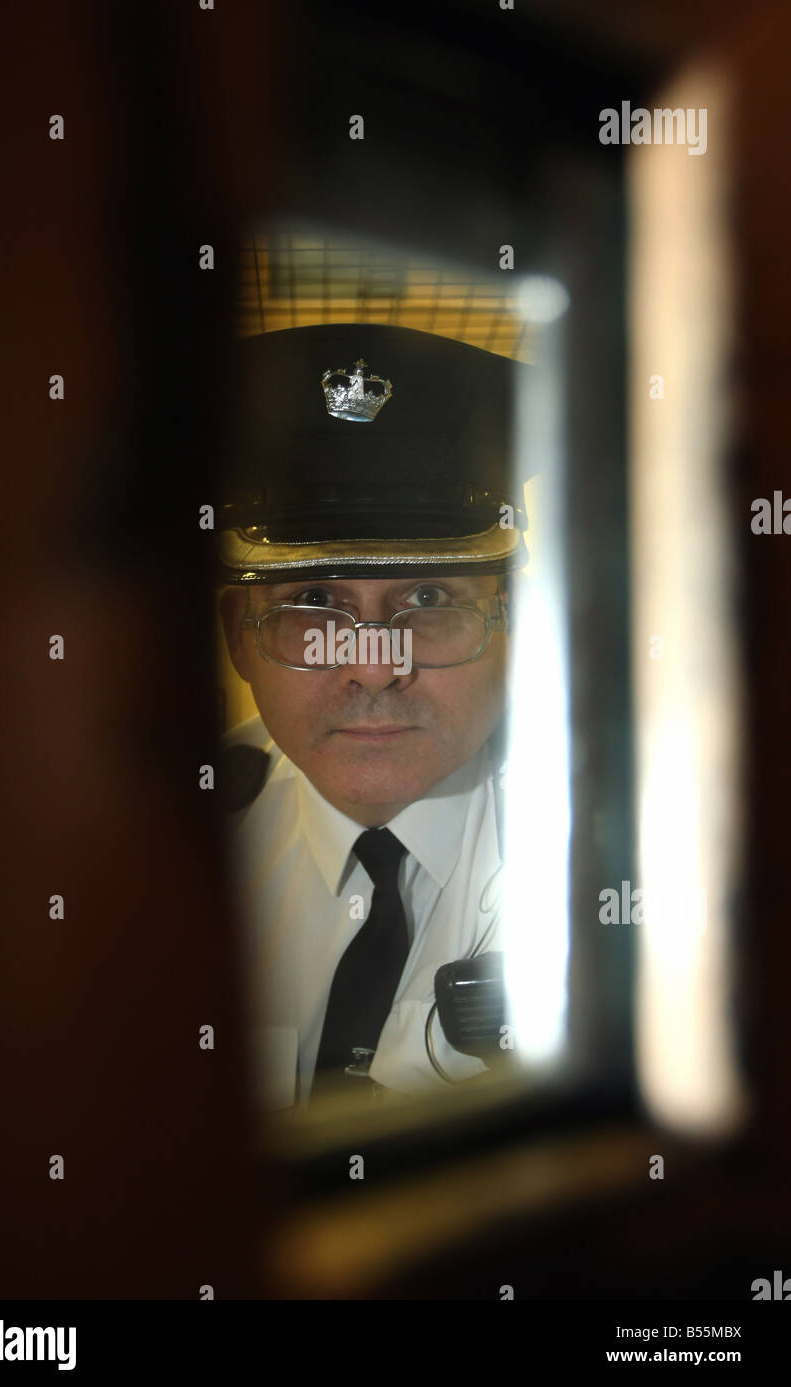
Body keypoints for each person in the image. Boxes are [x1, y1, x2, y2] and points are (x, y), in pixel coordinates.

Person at [216, 323, 531, 1109]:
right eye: (314, 602)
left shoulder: (608, 848)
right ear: (239, 641)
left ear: (513, 620)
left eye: (428, 599)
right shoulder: (179, 839)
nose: (371, 666)